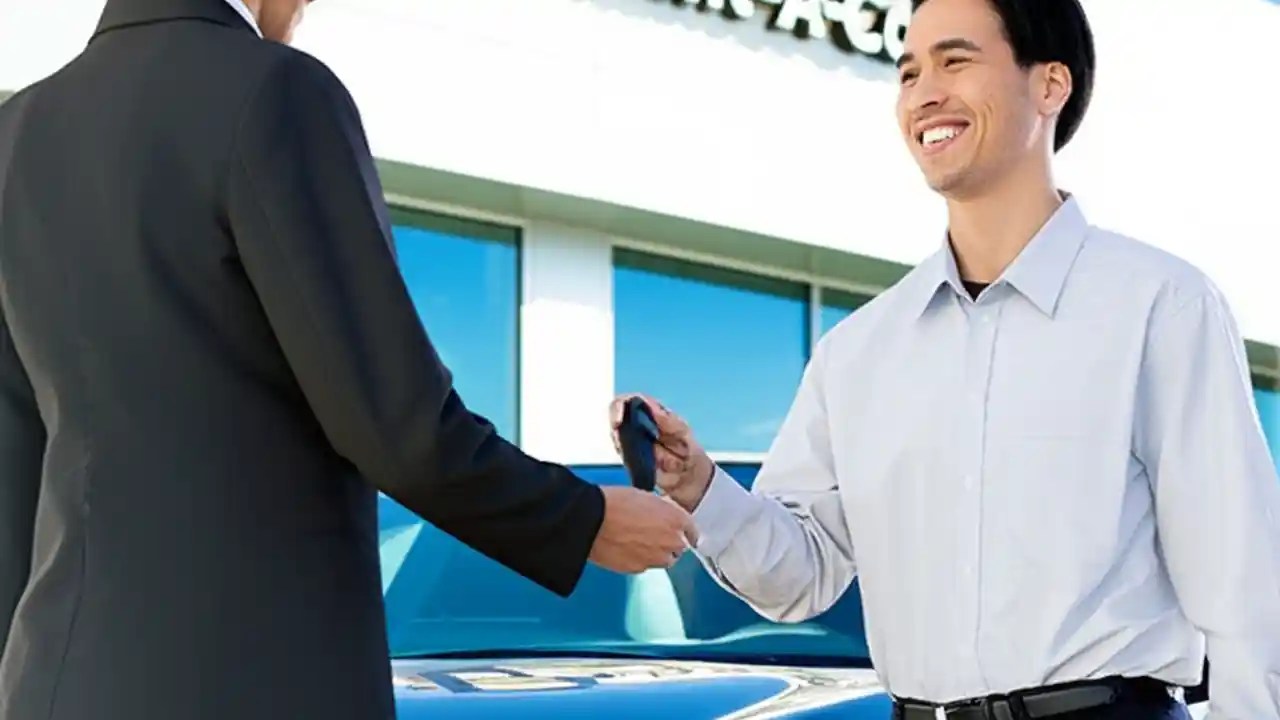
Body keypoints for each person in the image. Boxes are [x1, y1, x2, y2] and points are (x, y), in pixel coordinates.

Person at [0, 0, 696, 718]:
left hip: (50, 683)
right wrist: (579, 518)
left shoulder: (18, 132)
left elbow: (13, 457)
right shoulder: (276, 90)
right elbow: (391, 420)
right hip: (254, 683)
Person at [611, 0, 1280, 718]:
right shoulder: (859, 352)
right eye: (908, 72)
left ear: (1050, 85)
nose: (924, 92)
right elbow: (799, 577)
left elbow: (1242, 586)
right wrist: (702, 486)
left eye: (955, 61)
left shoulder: (1159, 306)